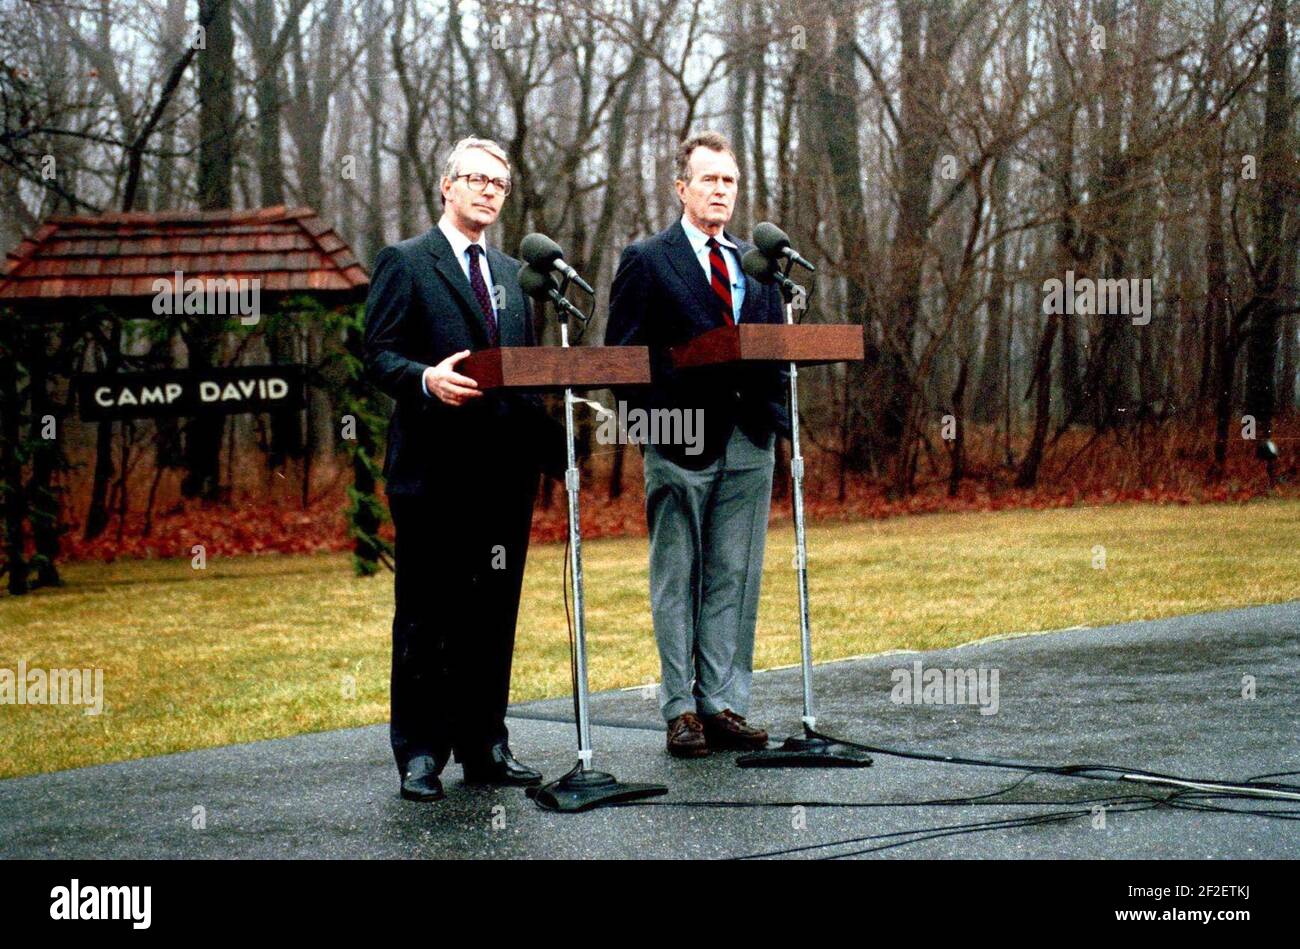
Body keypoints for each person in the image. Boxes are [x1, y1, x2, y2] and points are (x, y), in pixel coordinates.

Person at [364, 137, 563, 801]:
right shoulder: (407, 262)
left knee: (491, 611)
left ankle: (487, 744)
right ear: (446, 186)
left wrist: (552, 456)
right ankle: (420, 753)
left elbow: (528, 372)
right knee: (427, 613)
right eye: (474, 179)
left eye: (497, 183)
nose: (486, 191)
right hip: (432, 474)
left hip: (503, 476)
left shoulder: (514, 275)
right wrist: (424, 379)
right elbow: (376, 354)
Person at [606, 130, 789, 758]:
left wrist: (773, 420)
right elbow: (622, 360)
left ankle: (722, 703)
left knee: (734, 575)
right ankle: (679, 708)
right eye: (708, 179)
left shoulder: (757, 264)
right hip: (679, 442)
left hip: (747, 441)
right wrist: (653, 428)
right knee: (677, 575)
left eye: (729, 181)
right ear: (681, 188)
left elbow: (769, 348)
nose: (720, 190)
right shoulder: (648, 259)